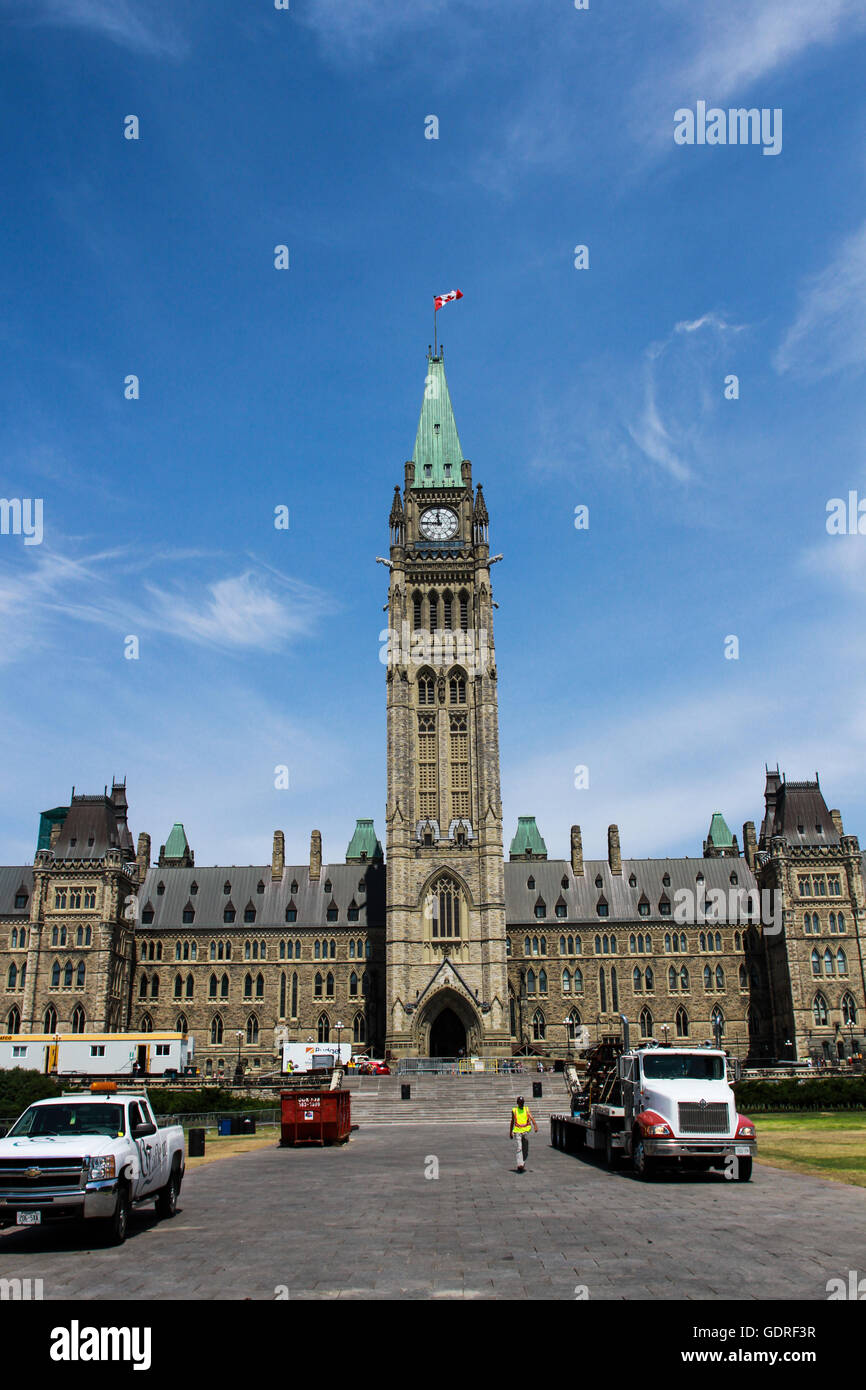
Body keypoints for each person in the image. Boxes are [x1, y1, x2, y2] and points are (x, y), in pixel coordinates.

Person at [509, 1095, 538, 1172]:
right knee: (519, 1147)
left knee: (525, 1148)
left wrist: (535, 1125)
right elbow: (512, 1121)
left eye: (522, 1102)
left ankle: (522, 1162)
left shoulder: (526, 1109)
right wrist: (510, 1132)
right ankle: (520, 1164)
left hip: (525, 1131)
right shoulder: (514, 1110)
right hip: (517, 1131)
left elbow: (531, 1117)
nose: (521, 1104)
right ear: (517, 1103)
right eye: (520, 1103)